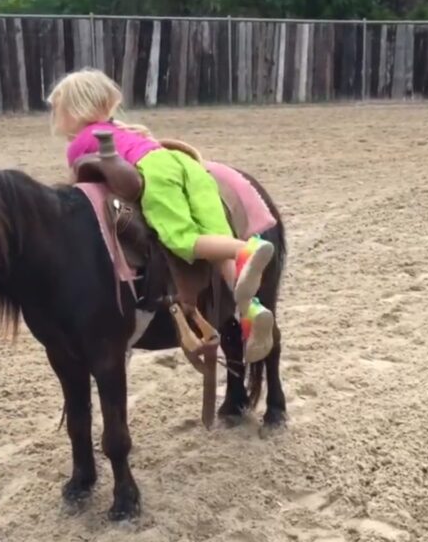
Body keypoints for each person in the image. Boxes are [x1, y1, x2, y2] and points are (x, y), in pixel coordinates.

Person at [47, 68, 275, 362]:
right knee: (215, 237)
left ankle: (246, 249)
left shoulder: (81, 142)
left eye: (57, 110)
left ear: (72, 110)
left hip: (155, 170)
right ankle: (248, 307)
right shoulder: (126, 129)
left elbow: (80, 194)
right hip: (186, 165)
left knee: (183, 238)